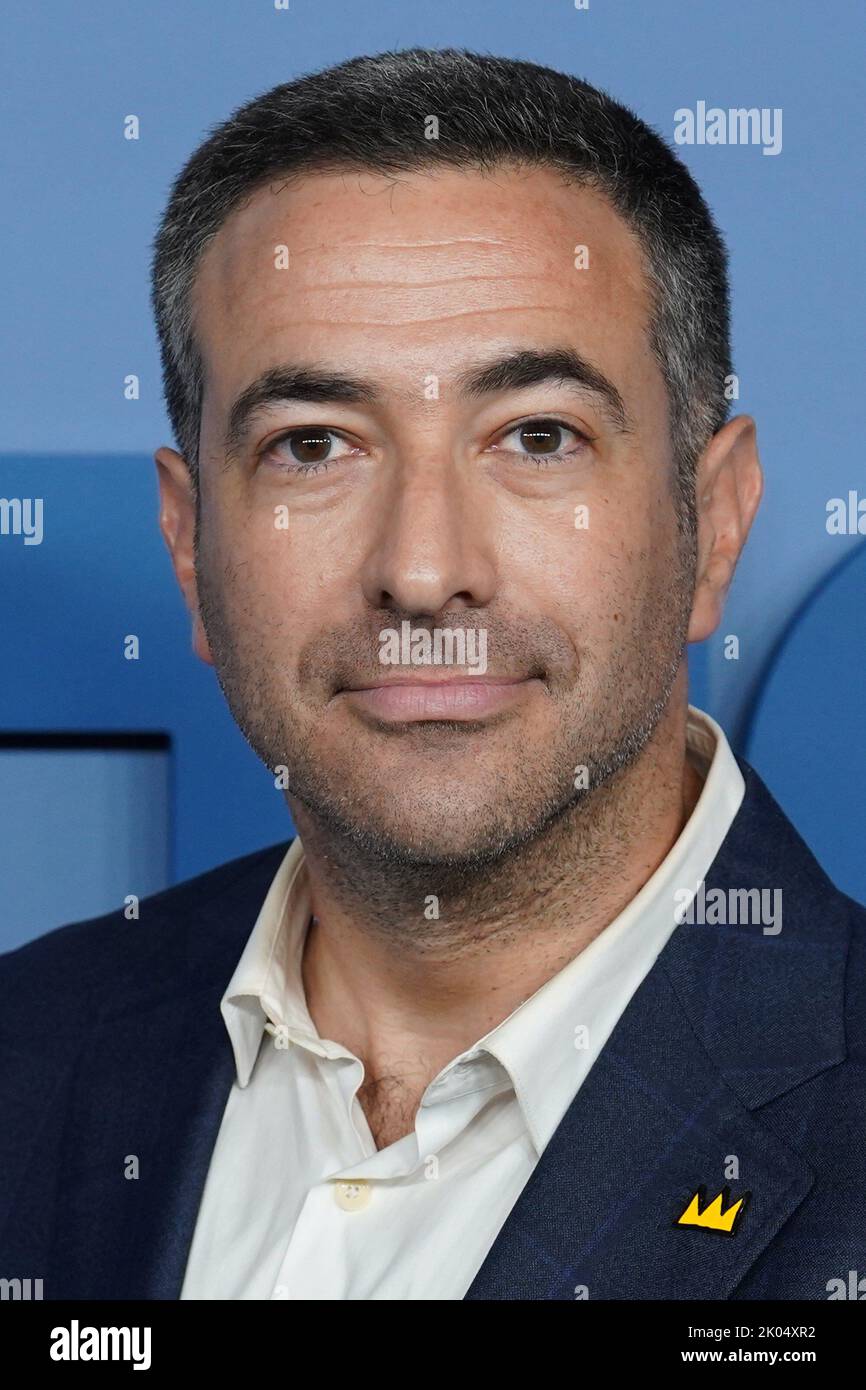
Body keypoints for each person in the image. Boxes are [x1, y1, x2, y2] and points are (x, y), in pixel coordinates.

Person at [2, 47, 864, 1301]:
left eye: (534, 437)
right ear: (188, 544)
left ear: (713, 522)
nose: (420, 568)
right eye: (313, 446)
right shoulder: (29, 1047)